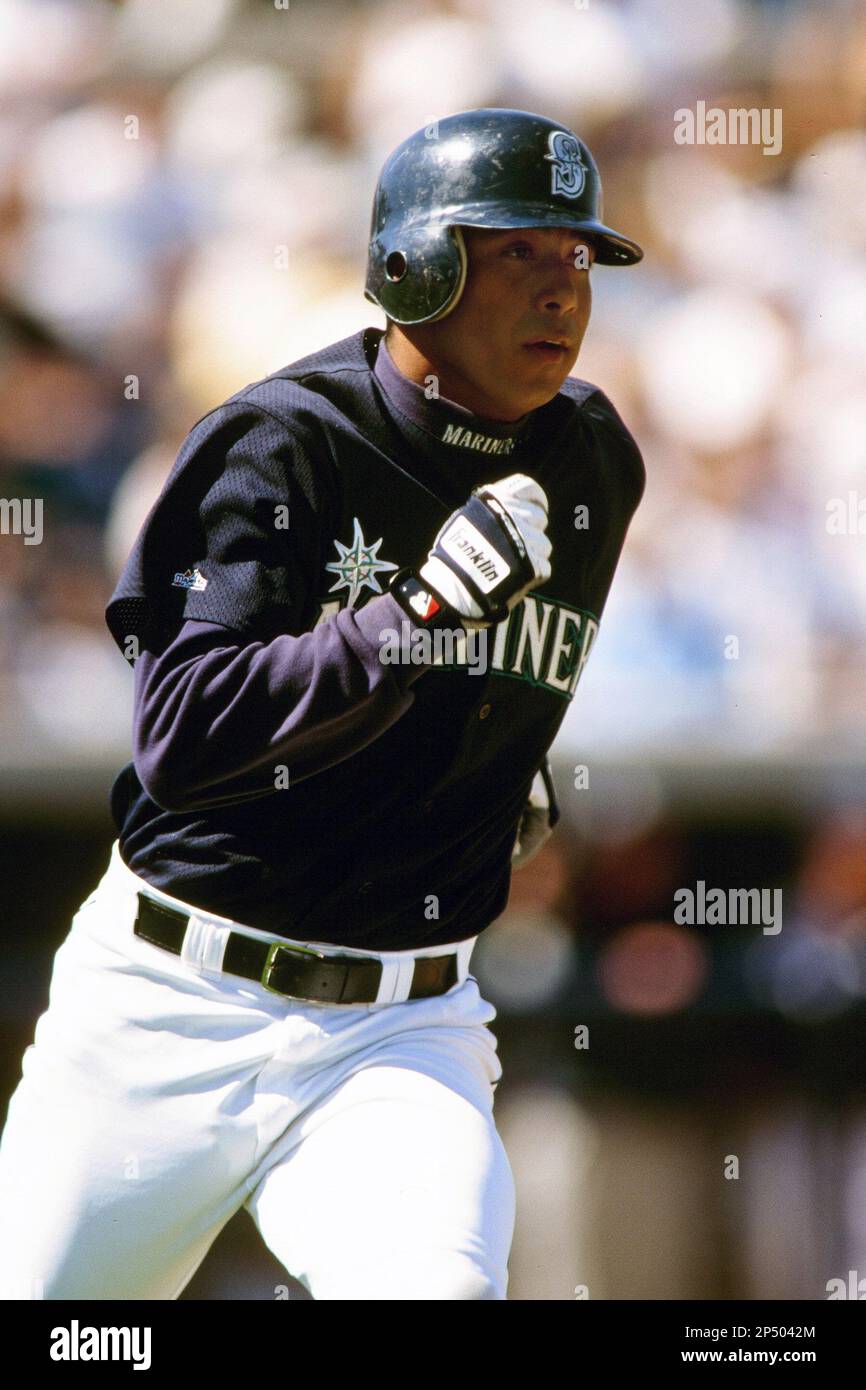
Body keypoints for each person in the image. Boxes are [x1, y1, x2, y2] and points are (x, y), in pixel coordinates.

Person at [0, 108, 644, 1301]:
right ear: (413, 265)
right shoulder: (279, 444)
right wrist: (410, 625)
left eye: (576, 258)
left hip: (399, 1028)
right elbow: (183, 740)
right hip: (169, 1003)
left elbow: (498, 682)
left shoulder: (593, 461)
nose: (563, 291)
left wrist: (483, 760)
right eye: (518, 253)